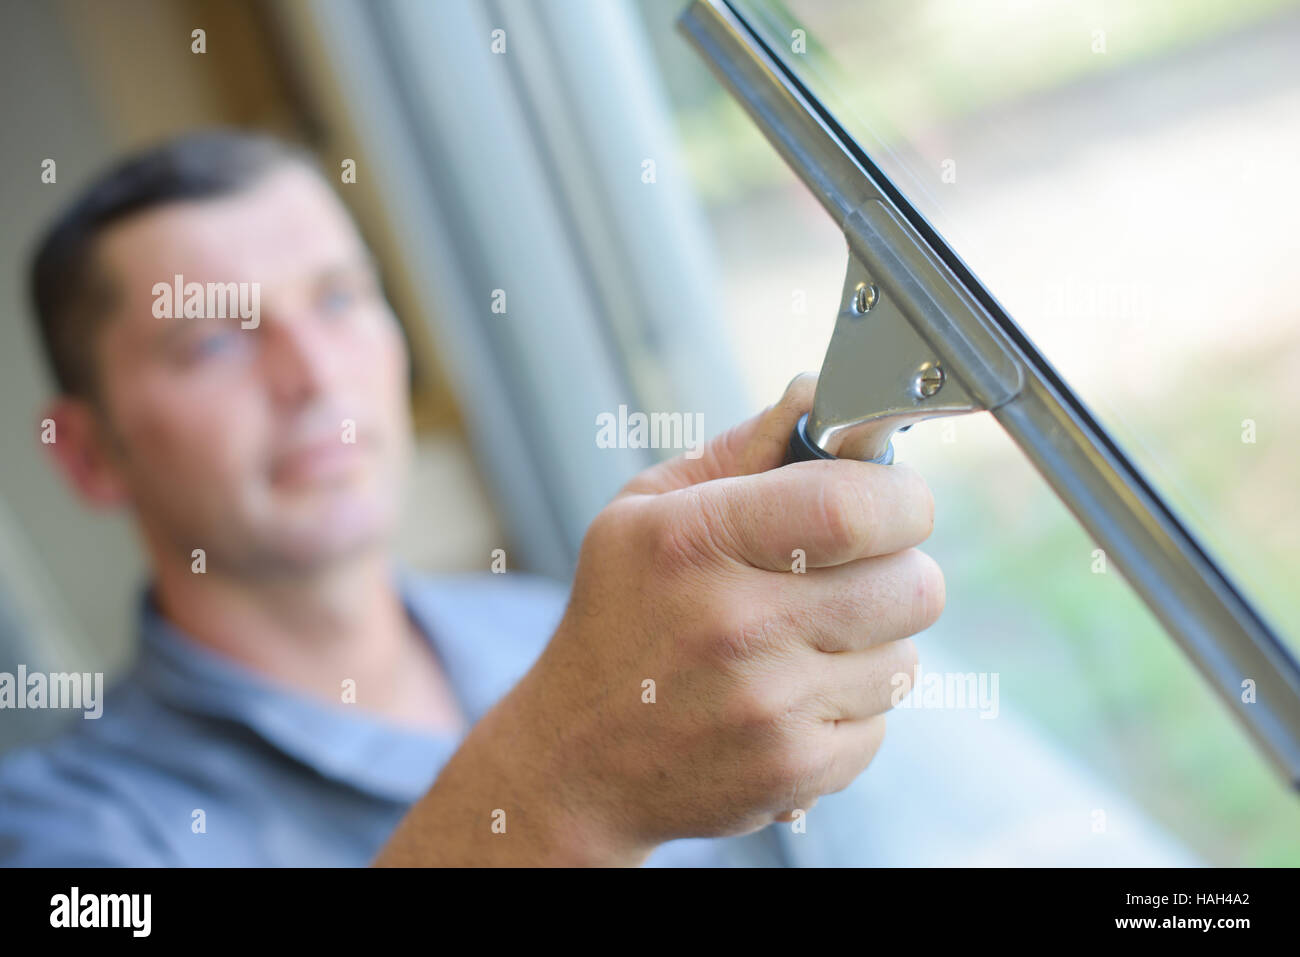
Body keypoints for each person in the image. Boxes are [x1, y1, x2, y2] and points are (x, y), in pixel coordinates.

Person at [0, 130, 1193, 867]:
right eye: (213, 341)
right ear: (88, 456)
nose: (313, 376)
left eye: (339, 300)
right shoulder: (66, 843)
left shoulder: (574, 636)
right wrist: (560, 788)